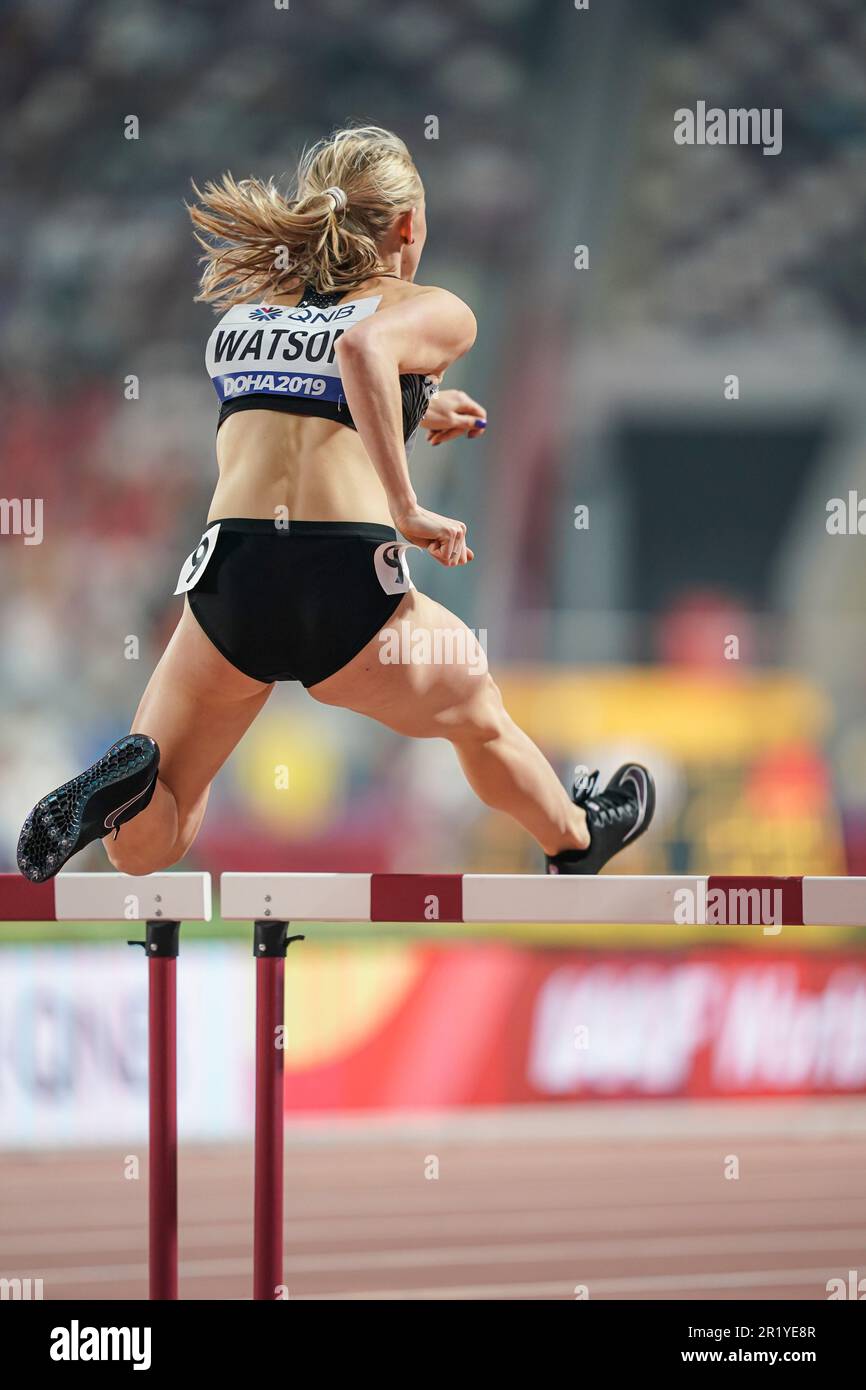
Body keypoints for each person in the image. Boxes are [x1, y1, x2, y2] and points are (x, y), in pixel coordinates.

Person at [17, 125, 654, 885]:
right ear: (408, 226)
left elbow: (309, 405)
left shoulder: (251, 315)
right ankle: (577, 839)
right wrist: (409, 507)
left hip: (232, 579)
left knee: (149, 846)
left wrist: (415, 408)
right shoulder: (435, 308)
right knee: (476, 712)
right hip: (343, 580)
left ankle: (125, 792)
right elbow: (361, 352)